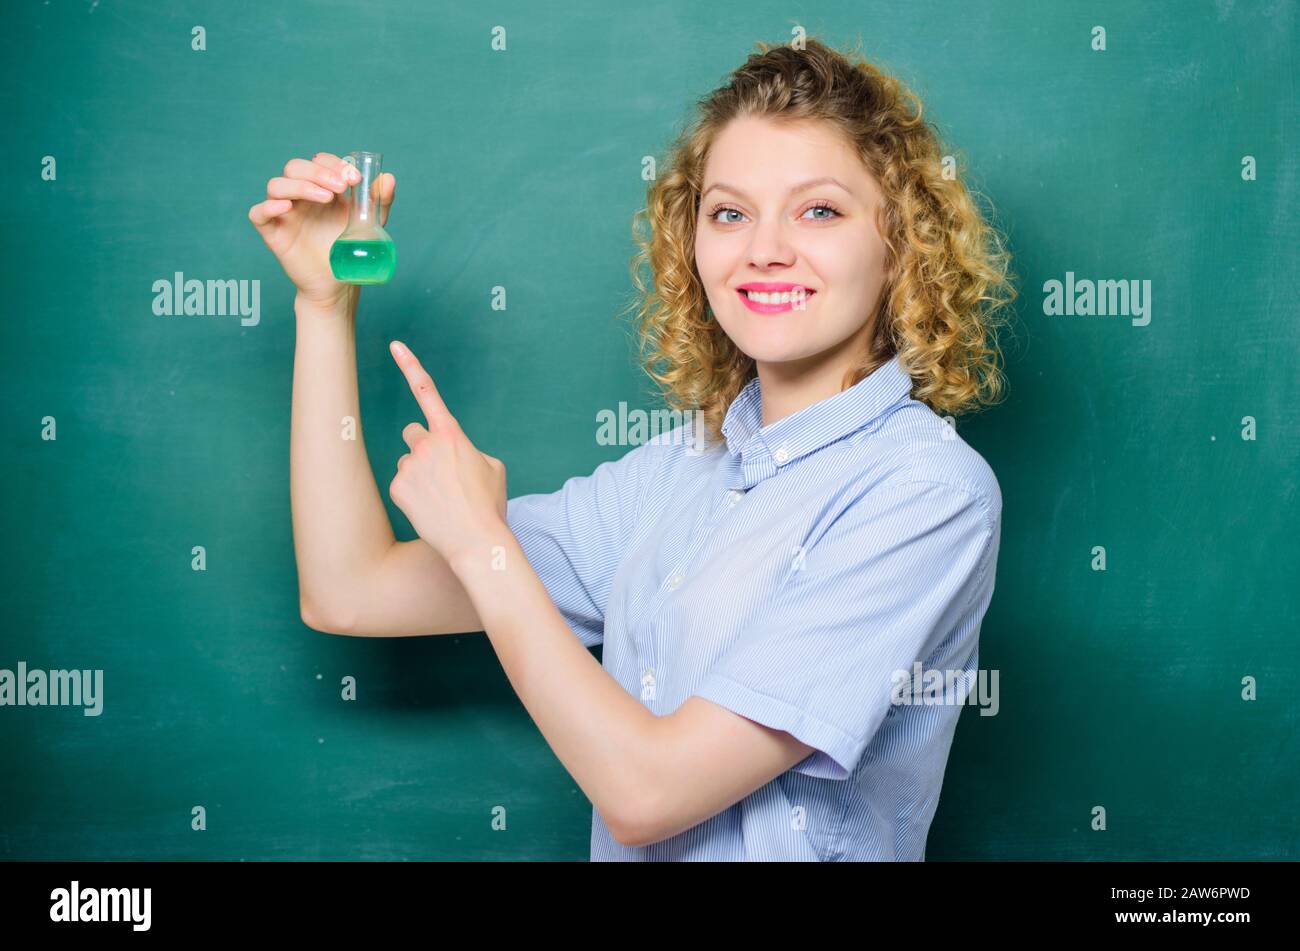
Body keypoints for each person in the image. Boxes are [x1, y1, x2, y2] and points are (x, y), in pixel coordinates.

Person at [248, 37, 1017, 861]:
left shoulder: (926, 489)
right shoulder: (681, 469)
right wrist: (324, 310)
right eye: (729, 212)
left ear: (900, 241)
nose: (764, 248)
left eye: (819, 210)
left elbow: (647, 792)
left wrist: (485, 545)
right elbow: (350, 591)